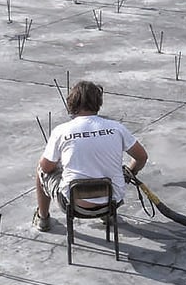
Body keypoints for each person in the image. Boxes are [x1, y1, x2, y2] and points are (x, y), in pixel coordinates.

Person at [34, 80, 148, 232]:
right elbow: (141, 157)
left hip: (74, 204)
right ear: (98, 102)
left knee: (40, 170)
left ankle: (43, 219)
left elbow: (46, 168)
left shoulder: (62, 131)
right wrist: (128, 173)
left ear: (72, 102)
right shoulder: (116, 128)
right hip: (112, 201)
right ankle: (107, 214)